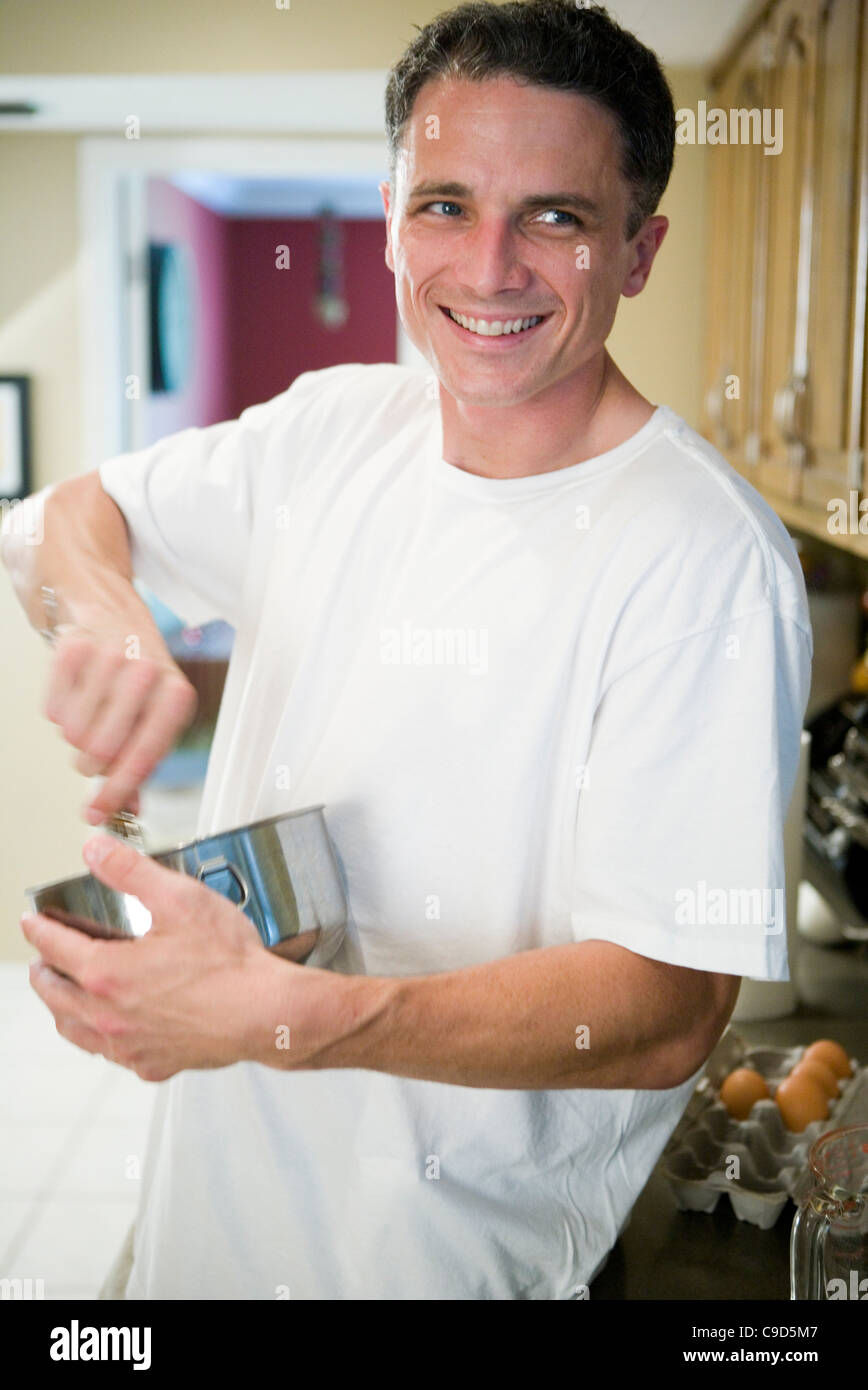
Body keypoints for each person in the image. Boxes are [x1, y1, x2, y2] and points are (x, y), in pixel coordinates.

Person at [2, 0, 812, 1300]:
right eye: (445, 203)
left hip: (446, 1266)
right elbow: (58, 521)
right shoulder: (331, 428)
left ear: (640, 248)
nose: (488, 266)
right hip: (206, 1229)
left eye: (554, 214)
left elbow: (666, 1012)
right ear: (388, 217)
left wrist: (294, 1018)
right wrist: (105, 611)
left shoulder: (706, 560)